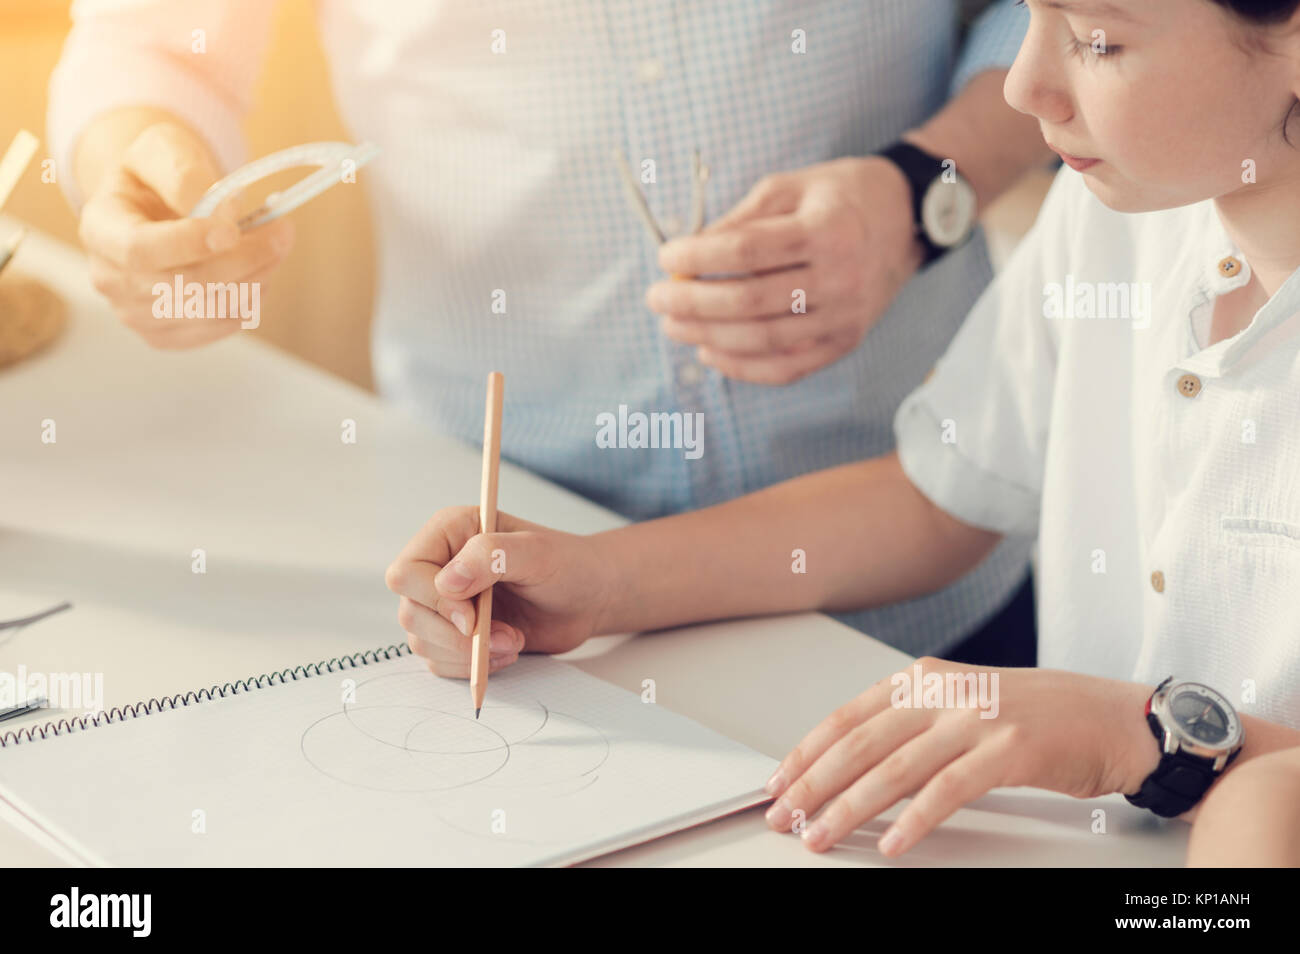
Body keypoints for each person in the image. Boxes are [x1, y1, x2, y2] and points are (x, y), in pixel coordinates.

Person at [384, 0, 1300, 858]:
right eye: (1029, 12)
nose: (1022, 88)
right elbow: (940, 494)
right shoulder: (1125, 213)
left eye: (1099, 39)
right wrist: (601, 580)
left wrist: (1135, 738)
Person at [48, 1, 1054, 666]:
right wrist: (143, 172)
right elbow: (151, 37)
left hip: (927, 561)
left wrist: (929, 184)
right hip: (504, 581)